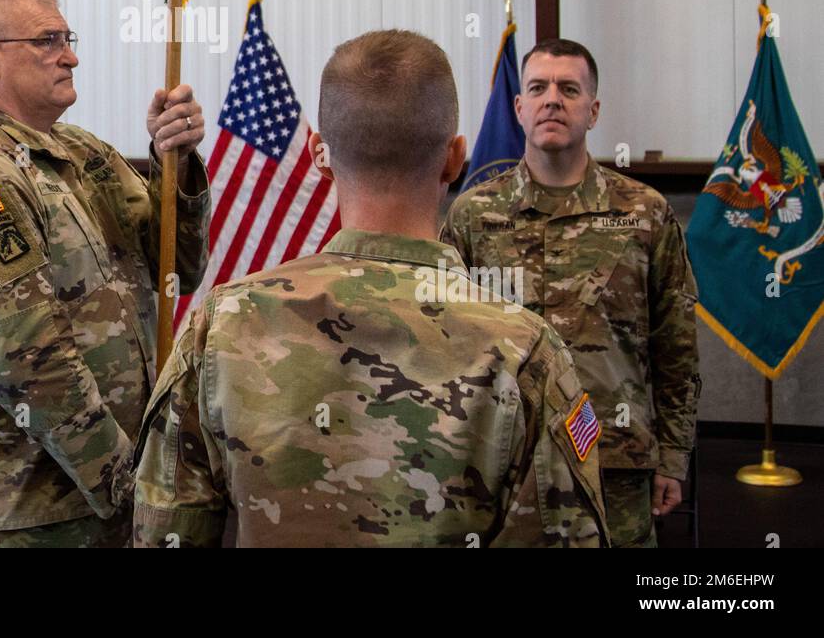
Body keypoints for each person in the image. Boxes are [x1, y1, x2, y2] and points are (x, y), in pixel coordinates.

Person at [132, 30, 608, 547]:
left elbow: (165, 531)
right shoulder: (527, 352)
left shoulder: (220, 325)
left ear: (319, 154)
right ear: (455, 159)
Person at [0, 0, 210, 548]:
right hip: (24, 509)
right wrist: (130, 484)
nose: (70, 55)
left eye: (67, 37)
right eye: (47, 40)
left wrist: (178, 167)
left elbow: (177, 272)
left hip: (97, 495)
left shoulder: (82, 155)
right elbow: (26, 363)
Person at [441, 38, 700, 548]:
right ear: (519, 108)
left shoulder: (643, 213)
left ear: (593, 109)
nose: (552, 99)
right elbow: (447, 343)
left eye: (569, 89)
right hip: (502, 462)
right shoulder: (473, 216)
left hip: (614, 463)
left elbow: (676, 345)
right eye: (537, 88)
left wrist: (673, 455)